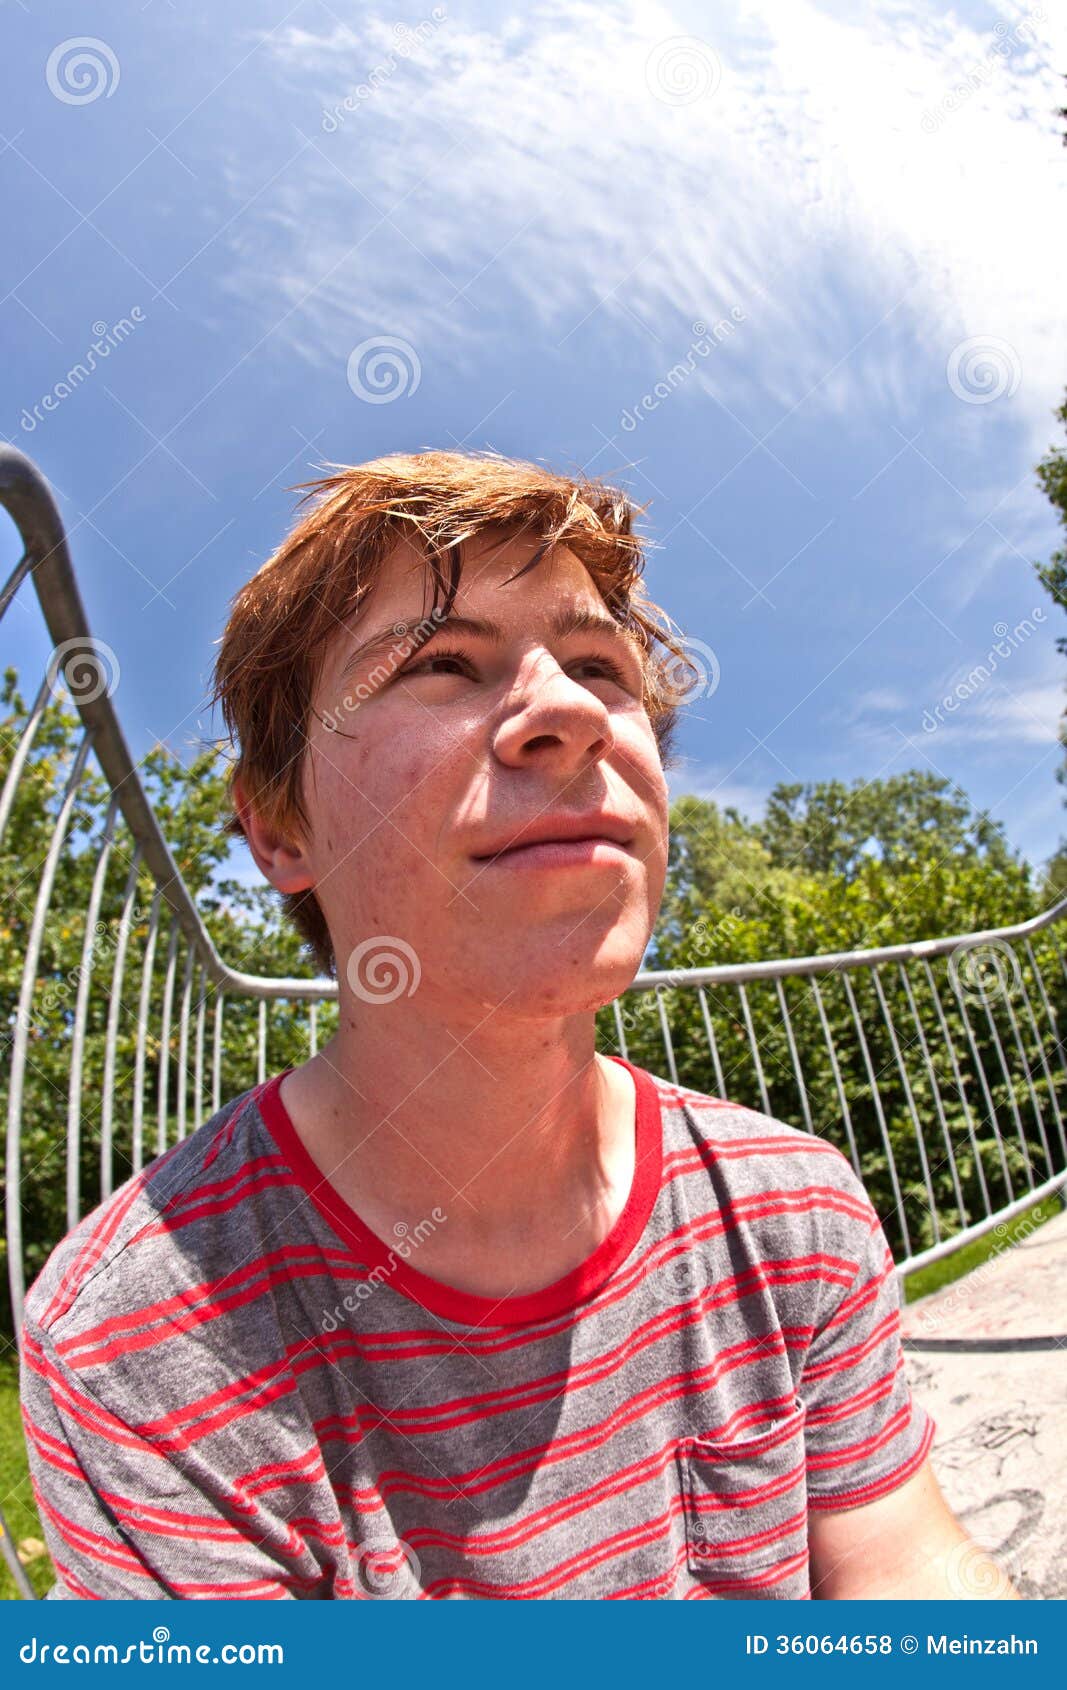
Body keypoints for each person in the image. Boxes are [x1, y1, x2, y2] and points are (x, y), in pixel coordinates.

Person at [19, 450, 1017, 1600]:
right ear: (279, 830)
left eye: (598, 667)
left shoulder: (792, 1205)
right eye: (442, 662)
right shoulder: (138, 1337)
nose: (570, 714)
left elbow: (903, 1569)